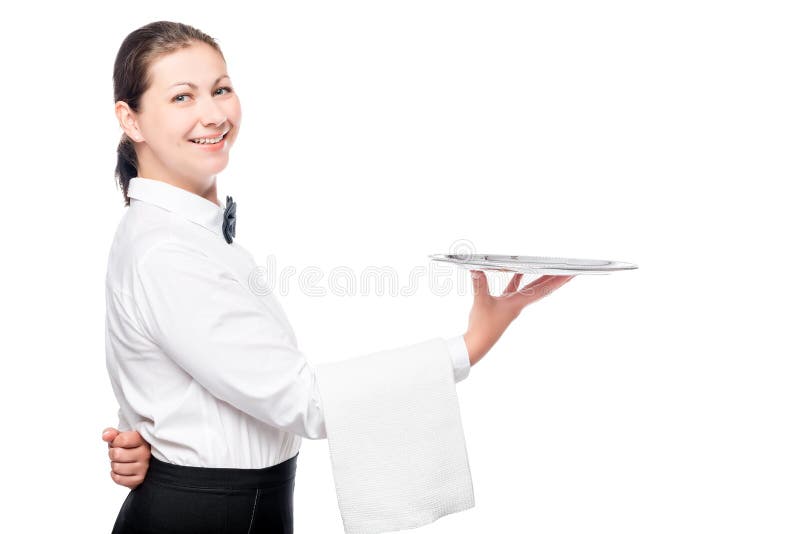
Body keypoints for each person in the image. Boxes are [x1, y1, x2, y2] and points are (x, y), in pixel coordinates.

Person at [102, 20, 574, 534]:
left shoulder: (169, 231)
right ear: (131, 120)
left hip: (225, 506)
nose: (213, 114)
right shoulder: (167, 249)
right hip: (206, 517)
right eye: (181, 97)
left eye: (221, 89)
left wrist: (141, 429)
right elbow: (304, 401)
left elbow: (156, 357)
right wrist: (472, 343)